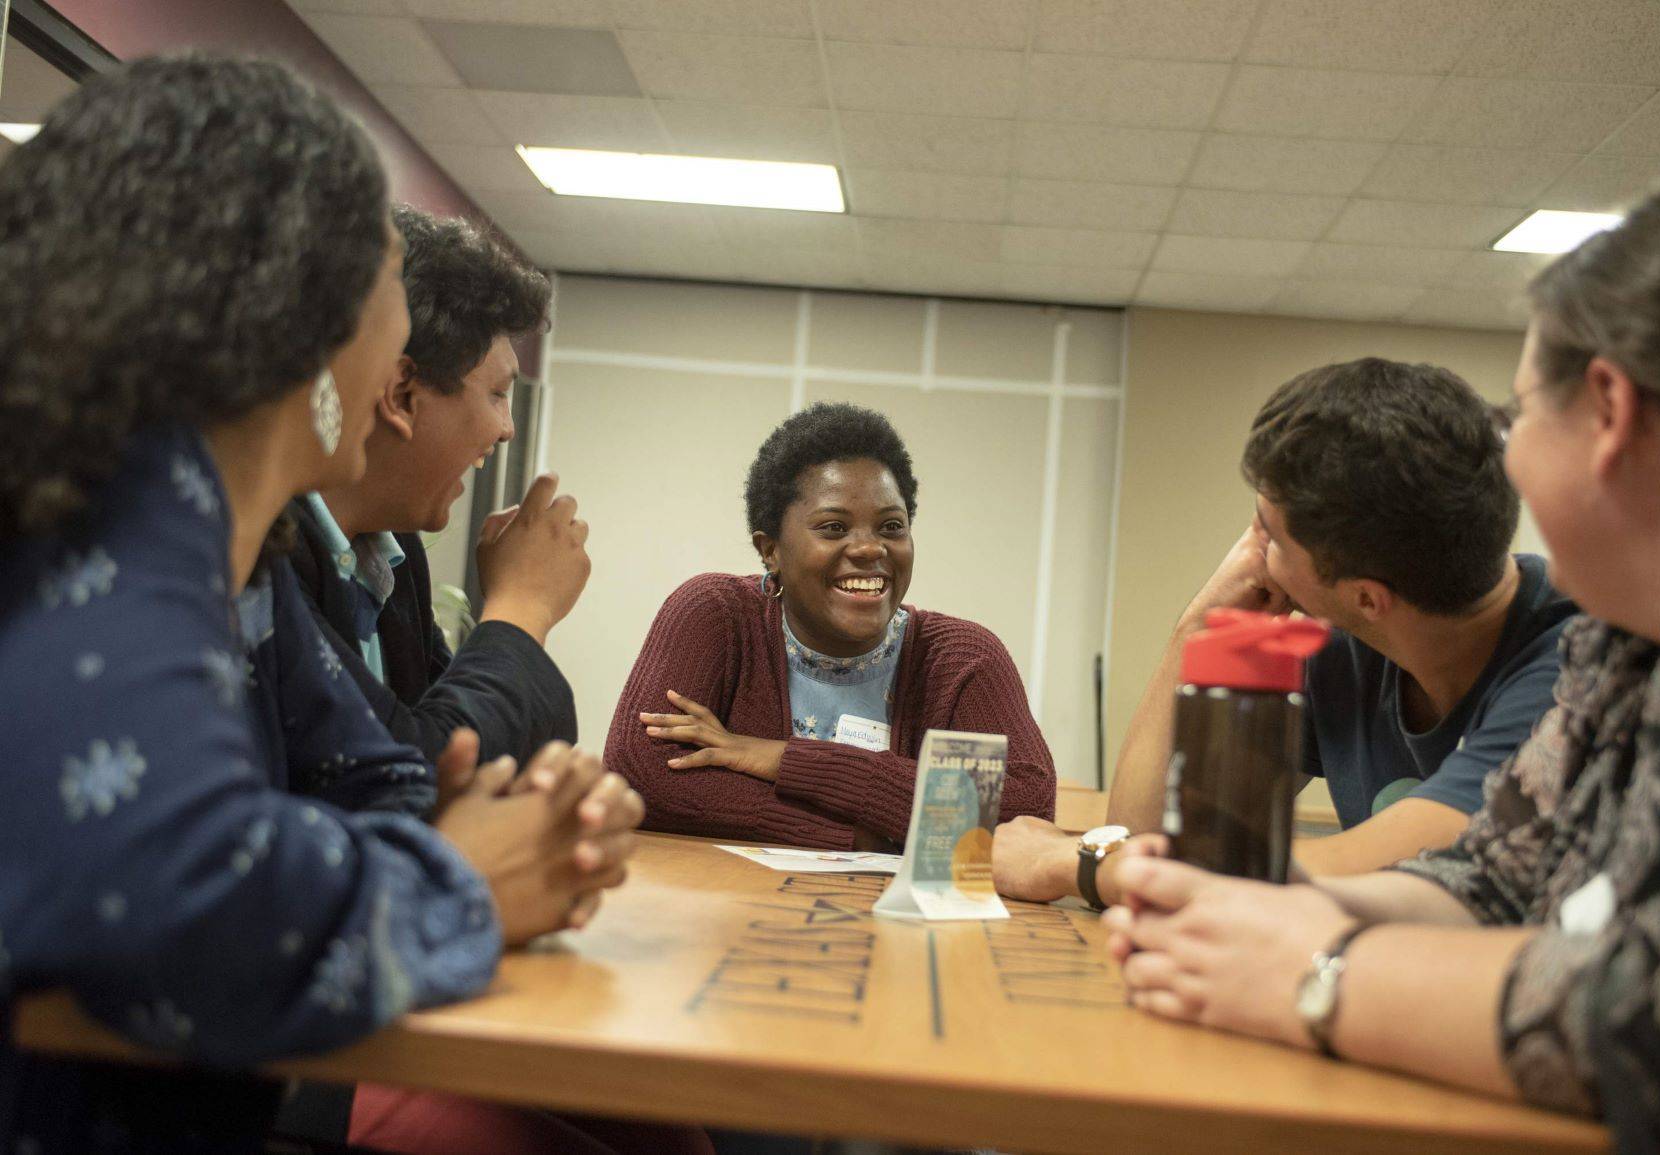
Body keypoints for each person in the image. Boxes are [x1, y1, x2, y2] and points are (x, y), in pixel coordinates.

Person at [0, 54, 636, 1154]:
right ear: (299, 310)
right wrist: (465, 878)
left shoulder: (237, 552)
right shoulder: (110, 512)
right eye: (389, 280)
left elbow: (367, 778)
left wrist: (508, 827)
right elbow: (179, 911)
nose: (399, 334)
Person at [1106, 184, 1660, 1151]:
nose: (1509, 462)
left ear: (1608, 410)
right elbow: (1491, 878)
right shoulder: (1626, 643)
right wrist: (1259, 909)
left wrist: (1320, 971)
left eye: (1525, 415)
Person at [995, 357, 1574, 905]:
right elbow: (1149, 829)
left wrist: (1070, 863)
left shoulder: (1575, 669)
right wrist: (1197, 631)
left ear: (1367, 597)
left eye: (1266, 533)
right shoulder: (1348, 643)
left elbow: (1337, 873)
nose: (1252, 555)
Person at [606, 402, 1057, 848]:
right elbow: (642, 775)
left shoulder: (964, 660)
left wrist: (784, 760)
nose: (868, 548)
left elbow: (1025, 811)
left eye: (892, 526)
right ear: (771, 551)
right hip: (731, 913)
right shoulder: (715, 616)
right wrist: (857, 834)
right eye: (834, 527)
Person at [290, 204, 587, 766]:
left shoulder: (393, 557)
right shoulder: (263, 550)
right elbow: (408, 776)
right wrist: (521, 607)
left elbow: (506, 764)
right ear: (401, 394)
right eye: (498, 394)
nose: (507, 430)